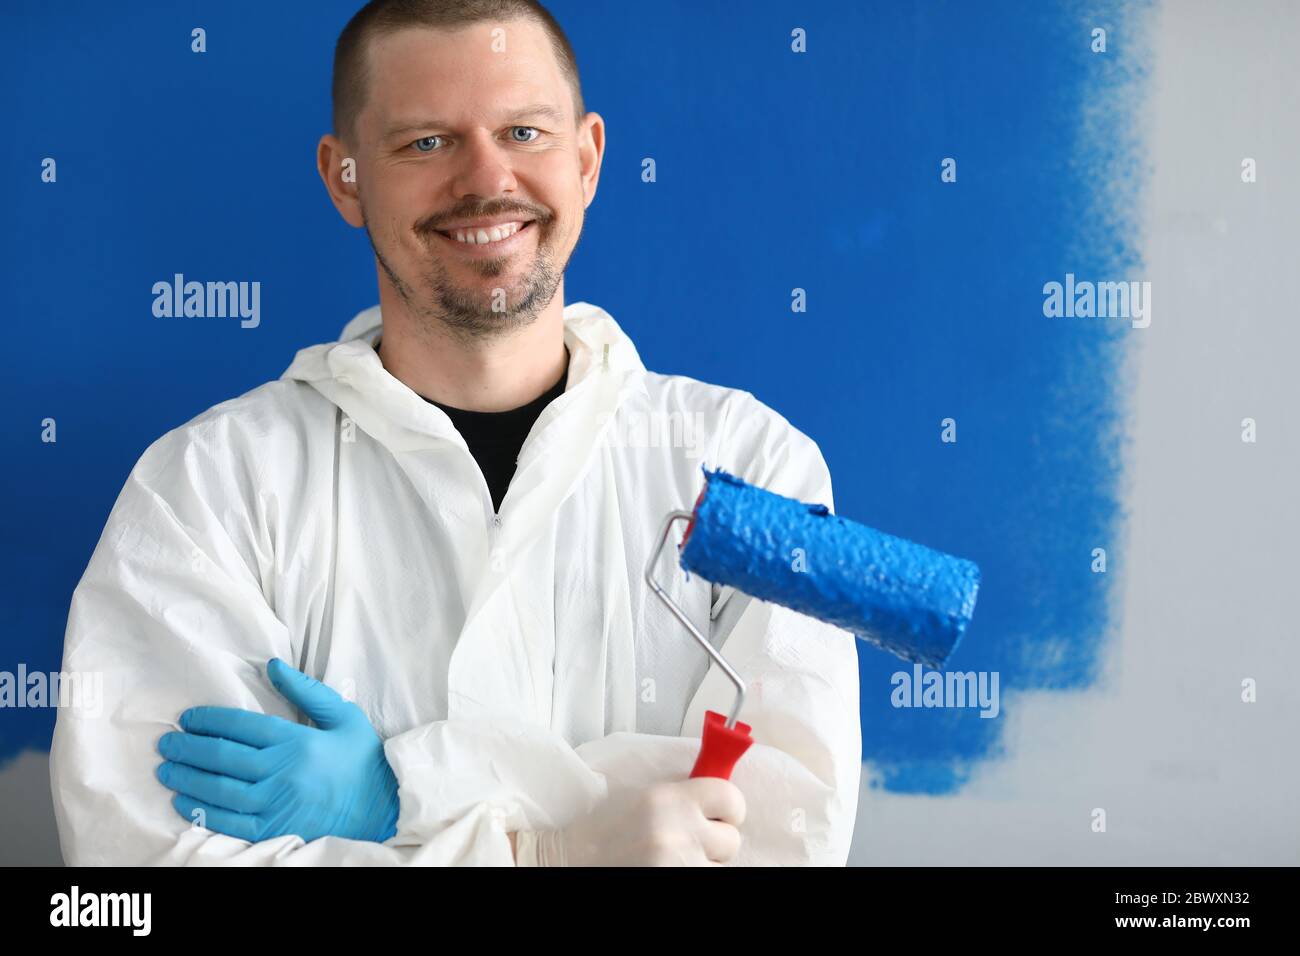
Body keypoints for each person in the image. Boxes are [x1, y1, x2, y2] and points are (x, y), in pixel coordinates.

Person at [49, 0, 861, 866]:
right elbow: (136, 868)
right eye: (426, 142)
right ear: (345, 178)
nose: (485, 180)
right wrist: (544, 853)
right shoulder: (203, 491)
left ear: (587, 159)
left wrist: (398, 798)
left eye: (523, 131)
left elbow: (785, 830)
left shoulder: (759, 471)